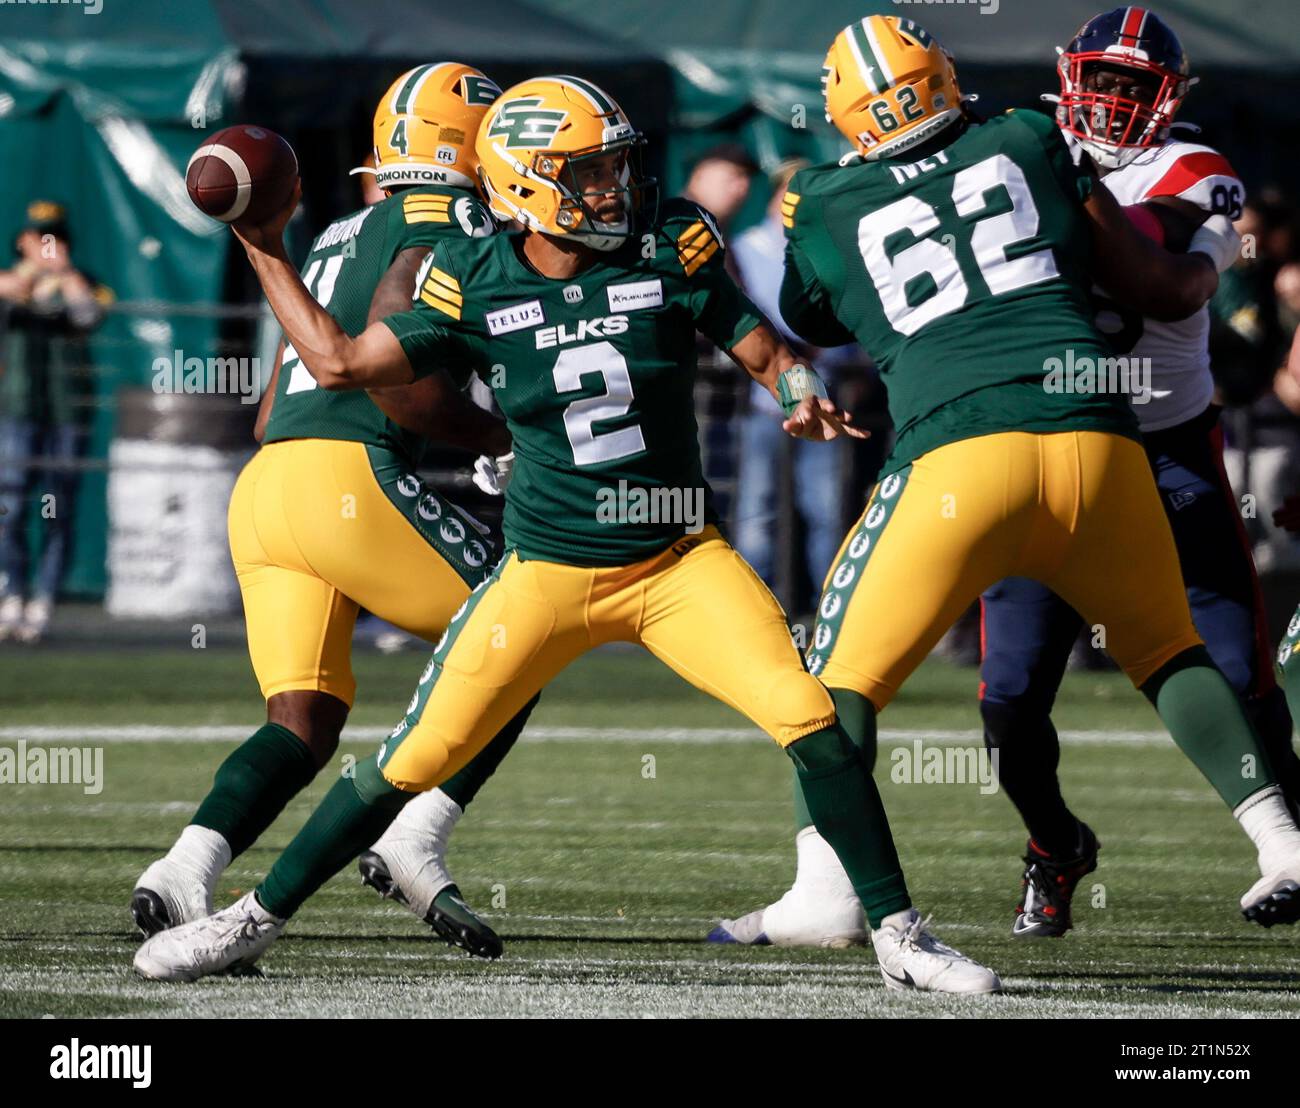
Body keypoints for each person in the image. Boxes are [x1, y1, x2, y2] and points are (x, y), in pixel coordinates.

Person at [134, 73, 1001, 995]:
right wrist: (265, 250)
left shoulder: (669, 245)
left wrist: (793, 387)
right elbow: (343, 361)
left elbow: (758, 342)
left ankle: (901, 936)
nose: (616, 188)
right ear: (524, 184)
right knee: (405, 763)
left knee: (813, 720)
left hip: (677, 562)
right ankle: (248, 918)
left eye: (616, 167)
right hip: (545, 571)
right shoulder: (471, 273)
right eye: (589, 174)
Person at [712, 13, 1300, 948]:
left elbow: (1162, 281)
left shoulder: (1164, 163)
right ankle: (1060, 846)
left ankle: (1287, 840)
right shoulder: (1022, 141)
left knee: (1231, 665)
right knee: (1021, 697)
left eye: (1130, 86)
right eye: (1098, 81)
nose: (1108, 103)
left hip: (1142, 447)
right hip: (1089, 447)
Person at [131, 63, 534, 959]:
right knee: (527, 630)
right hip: (349, 485)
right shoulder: (449, 221)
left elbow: (272, 406)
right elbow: (402, 393)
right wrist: (499, 435)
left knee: (303, 719)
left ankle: (184, 868)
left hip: (269, 484)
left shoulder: (339, 231)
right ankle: (411, 839)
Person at [733, 158, 856, 603]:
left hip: (826, 397)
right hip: (766, 401)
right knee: (757, 509)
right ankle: (756, 606)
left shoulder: (835, 245)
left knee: (826, 509)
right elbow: (747, 318)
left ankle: (833, 607)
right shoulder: (746, 246)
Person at [0, 200, 109, 643]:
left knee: (57, 507)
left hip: (67, 411)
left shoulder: (83, 282)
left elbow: (90, 314)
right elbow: (10, 291)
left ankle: (43, 599)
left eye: (56, 238)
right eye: (39, 238)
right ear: (23, 241)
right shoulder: (11, 280)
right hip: (17, 407)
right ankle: (10, 592)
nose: (48, 246)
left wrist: (63, 275)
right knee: (9, 504)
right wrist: (30, 279)